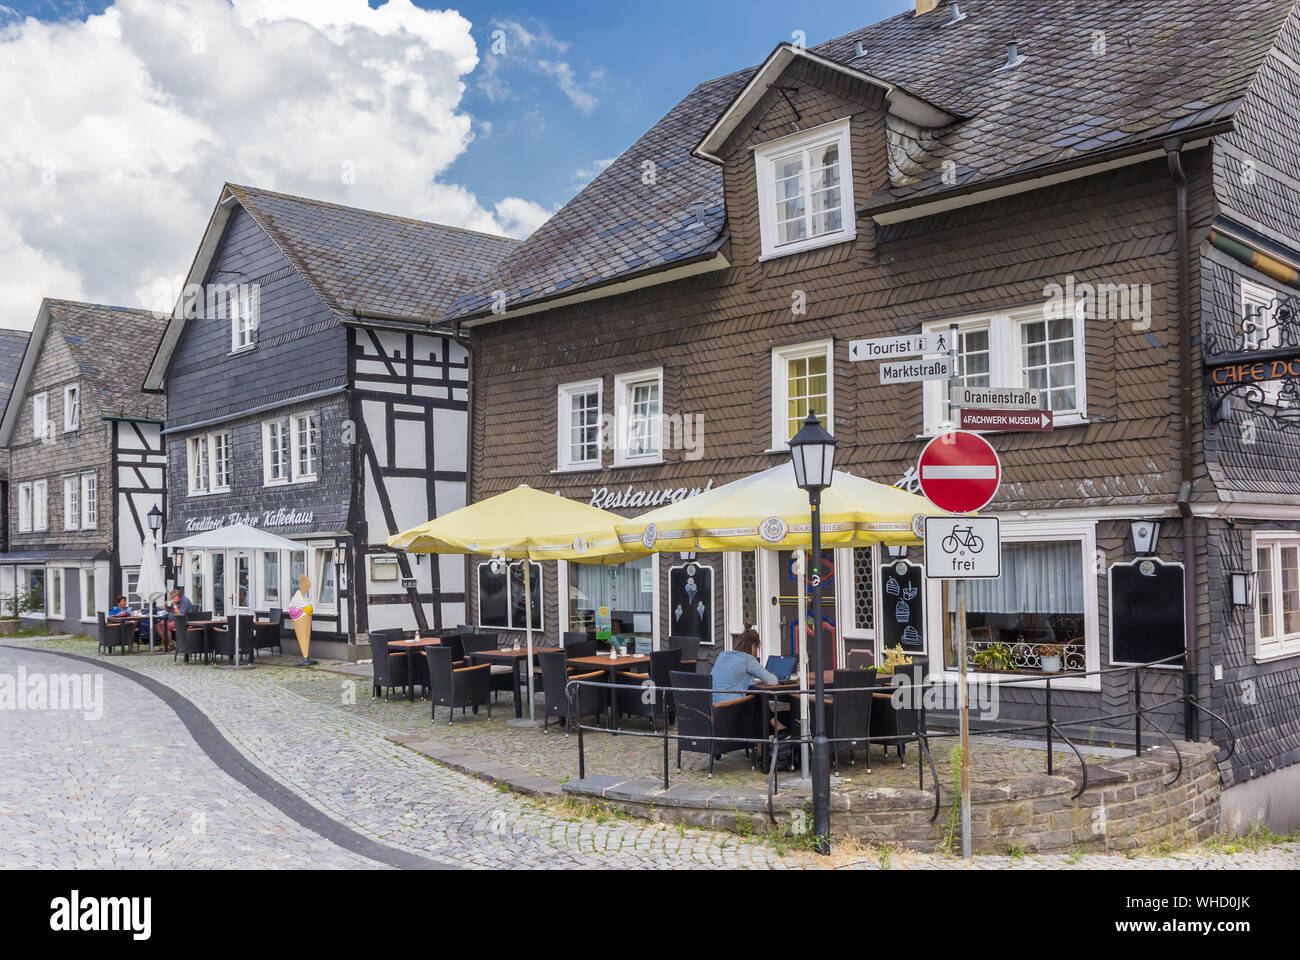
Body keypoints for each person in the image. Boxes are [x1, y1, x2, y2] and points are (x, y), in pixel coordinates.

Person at [710, 625, 778, 705]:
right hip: (729, 707)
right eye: (757, 649)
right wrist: (771, 676)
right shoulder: (748, 659)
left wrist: (758, 681)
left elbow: (734, 680)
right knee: (761, 703)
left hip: (711, 705)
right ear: (753, 647)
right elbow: (773, 681)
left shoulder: (723, 655)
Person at [156, 587, 194, 651]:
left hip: (182, 621)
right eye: (172, 598)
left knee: (166, 627)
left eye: (174, 597)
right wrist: (166, 606)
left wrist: (174, 605)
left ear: (179, 596)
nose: (172, 599)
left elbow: (180, 615)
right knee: (157, 626)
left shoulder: (185, 601)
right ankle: (169, 644)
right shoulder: (176, 601)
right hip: (172, 620)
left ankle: (170, 645)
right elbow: (169, 611)